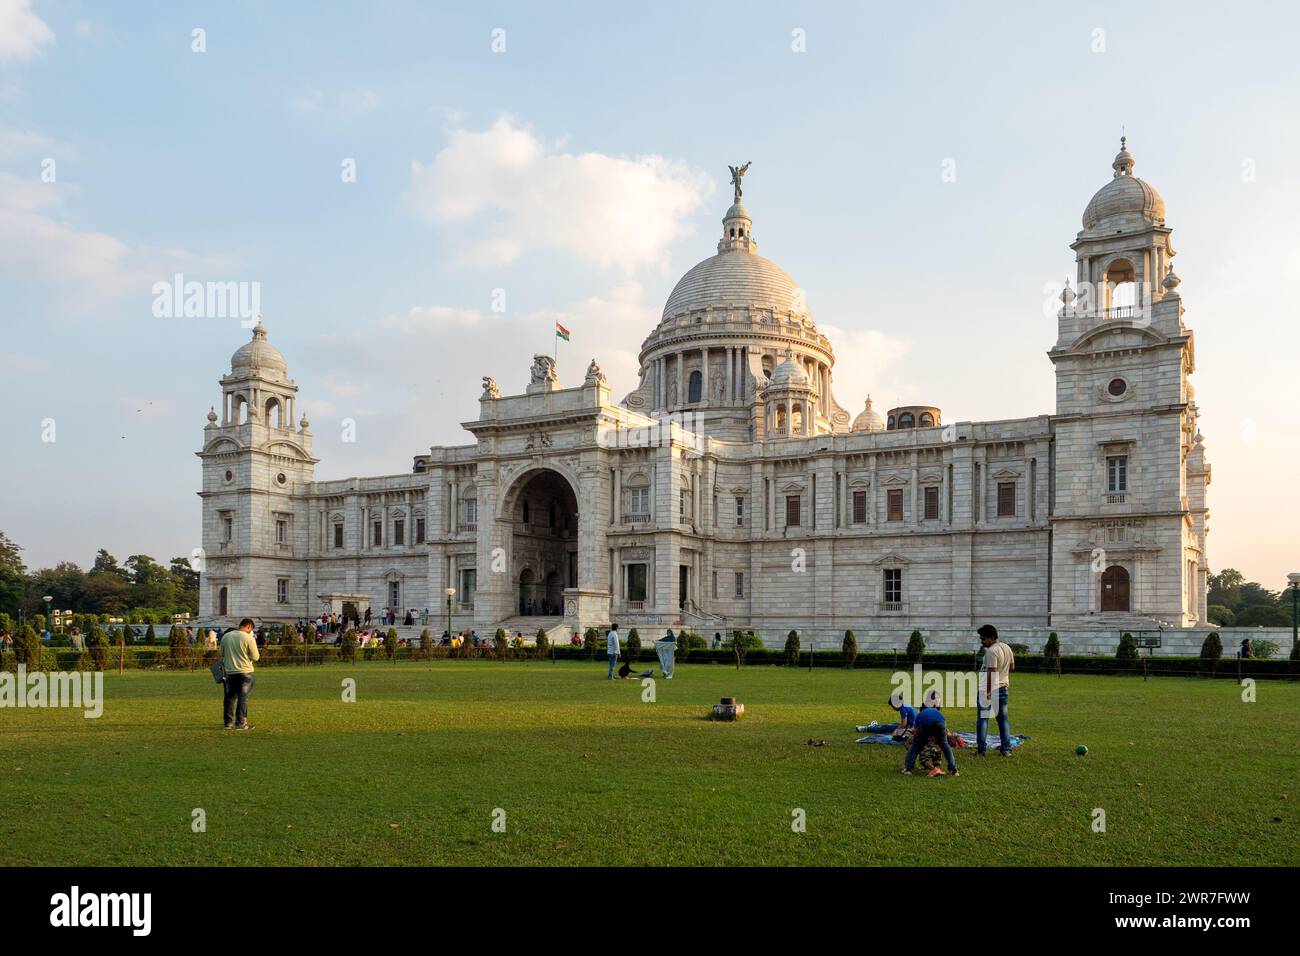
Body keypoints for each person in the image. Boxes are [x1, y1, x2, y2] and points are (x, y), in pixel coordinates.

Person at [975, 623, 1014, 756]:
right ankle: (1006, 749)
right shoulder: (1006, 647)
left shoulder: (991, 651)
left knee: (983, 718)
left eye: (983, 638)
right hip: (1003, 688)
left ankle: (981, 749)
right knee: (1003, 719)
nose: (982, 641)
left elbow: (992, 672)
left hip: (990, 689)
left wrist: (988, 692)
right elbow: (1012, 666)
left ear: (991, 637)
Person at [902, 696, 959, 777]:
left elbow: (916, 732)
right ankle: (954, 770)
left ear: (921, 709)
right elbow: (944, 728)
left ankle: (908, 769)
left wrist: (918, 740)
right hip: (940, 725)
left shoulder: (920, 714)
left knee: (915, 745)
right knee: (946, 746)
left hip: (925, 725)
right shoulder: (938, 712)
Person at [220, 618, 260, 730]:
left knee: (229, 697)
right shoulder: (248, 638)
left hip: (230, 672)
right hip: (245, 672)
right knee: (243, 698)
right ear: (248, 627)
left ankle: (228, 723)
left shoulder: (226, 637)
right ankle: (241, 722)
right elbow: (256, 657)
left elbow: (222, 653)